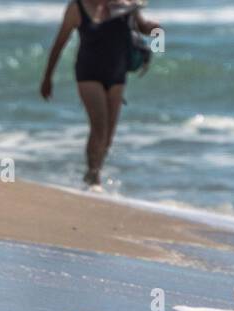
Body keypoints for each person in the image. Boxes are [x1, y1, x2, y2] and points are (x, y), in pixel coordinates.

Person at [40, 1, 160, 187]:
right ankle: (93, 175)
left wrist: (154, 30)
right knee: (99, 127)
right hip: (88, 73)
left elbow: (143, 27)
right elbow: (59, 44)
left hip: (117, 74)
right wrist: (48, 78)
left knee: (109, 135)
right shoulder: (77, 8)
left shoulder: (126, 7)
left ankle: (95, 172)